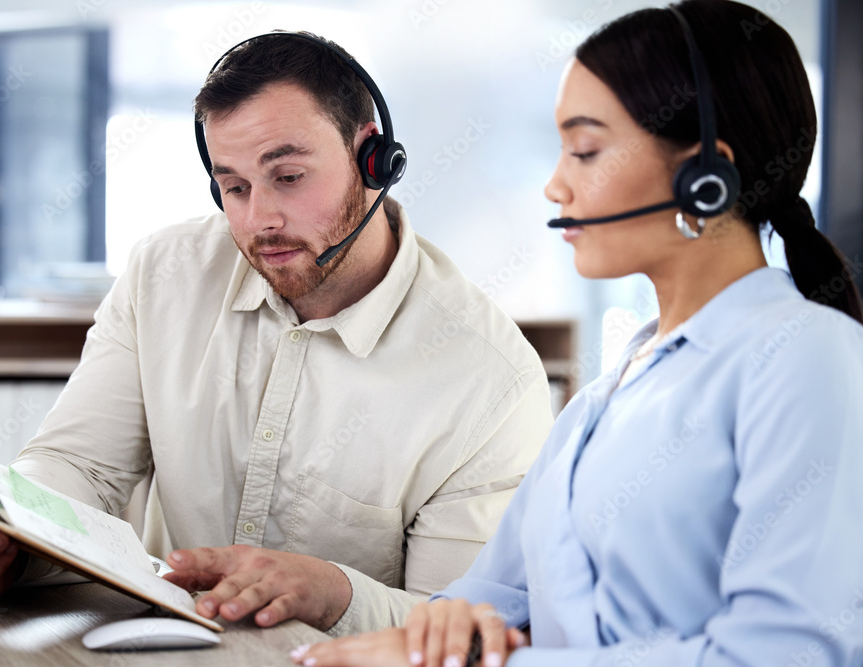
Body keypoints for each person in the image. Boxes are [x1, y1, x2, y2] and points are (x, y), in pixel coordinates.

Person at [0, 31, 555, 636]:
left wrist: (336, 592)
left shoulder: (489, 381)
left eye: (289, 177)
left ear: (375, 157)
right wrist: (8, 542)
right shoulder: (165, 273)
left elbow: (466, 628)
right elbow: (82, 468)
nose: (259, 219)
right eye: (234, 186)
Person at [293, 1, 863, 664]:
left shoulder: (805, 356)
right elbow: (487, 598)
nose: (555, 186)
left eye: (586, 150)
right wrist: (417, 639)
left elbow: (785, 653)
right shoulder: (601, 401)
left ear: (704, 179)